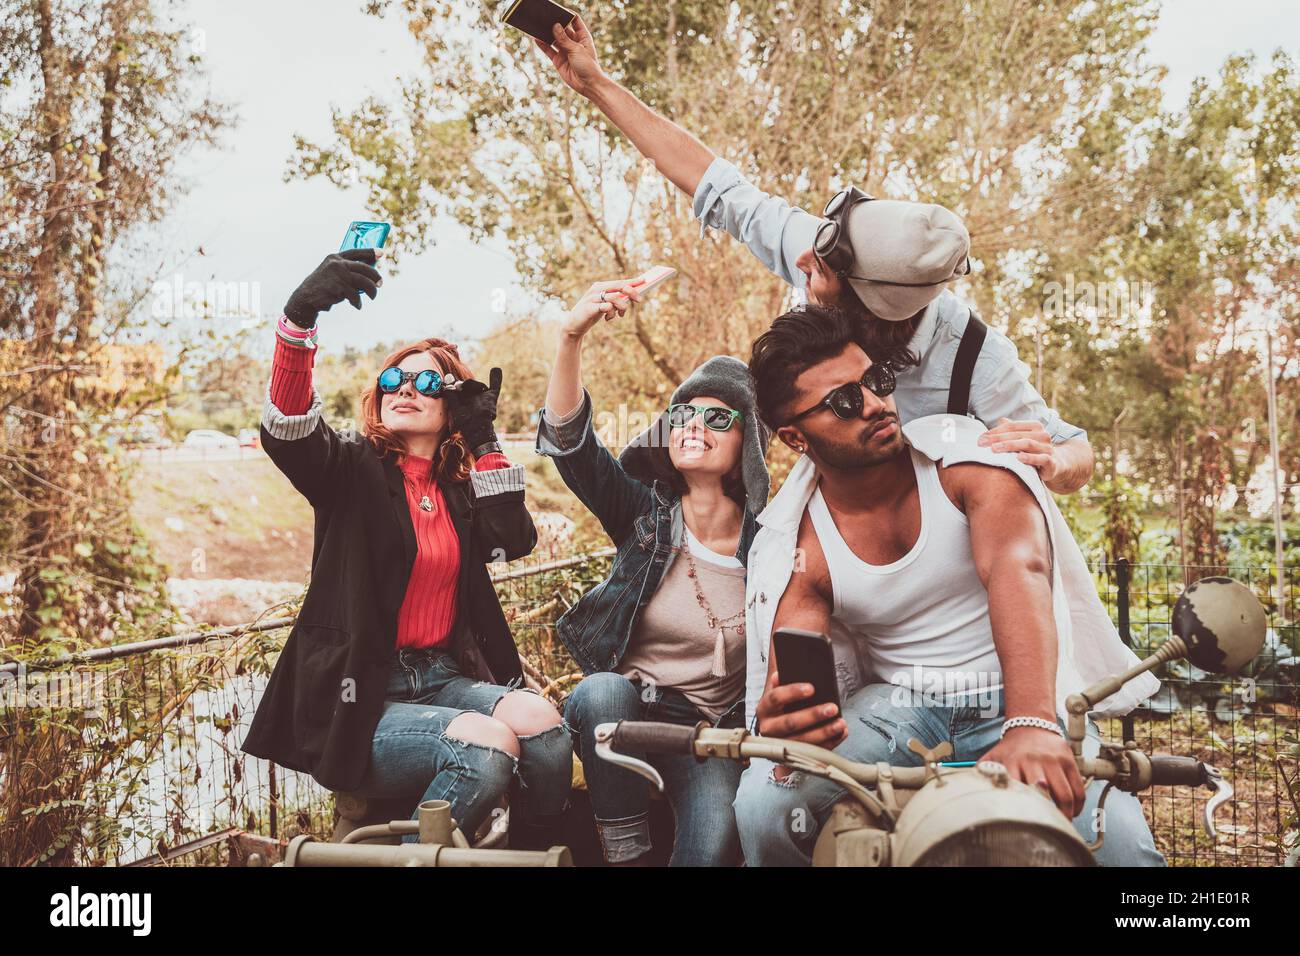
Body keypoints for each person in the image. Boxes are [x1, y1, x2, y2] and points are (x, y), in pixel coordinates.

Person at [535, 15, 1095, 495]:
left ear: (867, 303)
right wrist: (596, 84)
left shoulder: (974, 356)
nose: (801, 261)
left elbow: (1075, 453)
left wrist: (1052, 459)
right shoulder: (820, 253)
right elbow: (714, 184)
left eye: (821, 270)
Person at [730, 304, 1163, 866]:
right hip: (897, 708)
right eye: (843, 401)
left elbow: (1019, 570)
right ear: (794, 437)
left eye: (876, 381)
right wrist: (785, 718)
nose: (875, 404)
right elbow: (795, 668)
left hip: (1019, 693)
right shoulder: (800, 543)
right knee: (764, 807)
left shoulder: (966, 461)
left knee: (1125, 851)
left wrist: (1031, 721)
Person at [240, 248, 572, 848]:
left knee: (547, 730)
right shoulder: (350, 469)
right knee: (487, 747)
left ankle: (536, 853)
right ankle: (408, 862)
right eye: (393, 377)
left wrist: (484, 437)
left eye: (426, 381)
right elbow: (287, 431)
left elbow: (514, 539)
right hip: (361, 697)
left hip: (444, 679)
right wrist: (300, 316)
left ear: (452, 407)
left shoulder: (458, 488)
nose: (404, 388)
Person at [535, 278, 771, 865]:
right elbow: (571, 446)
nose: (693, 424)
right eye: (683, 414)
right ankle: (624, 847)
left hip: (712, 734)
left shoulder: (774, 538)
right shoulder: (643, 513)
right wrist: (571, 334)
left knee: (714, 844)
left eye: (717, 417)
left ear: (748, 442)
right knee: (600, 691)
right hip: (632, 713)